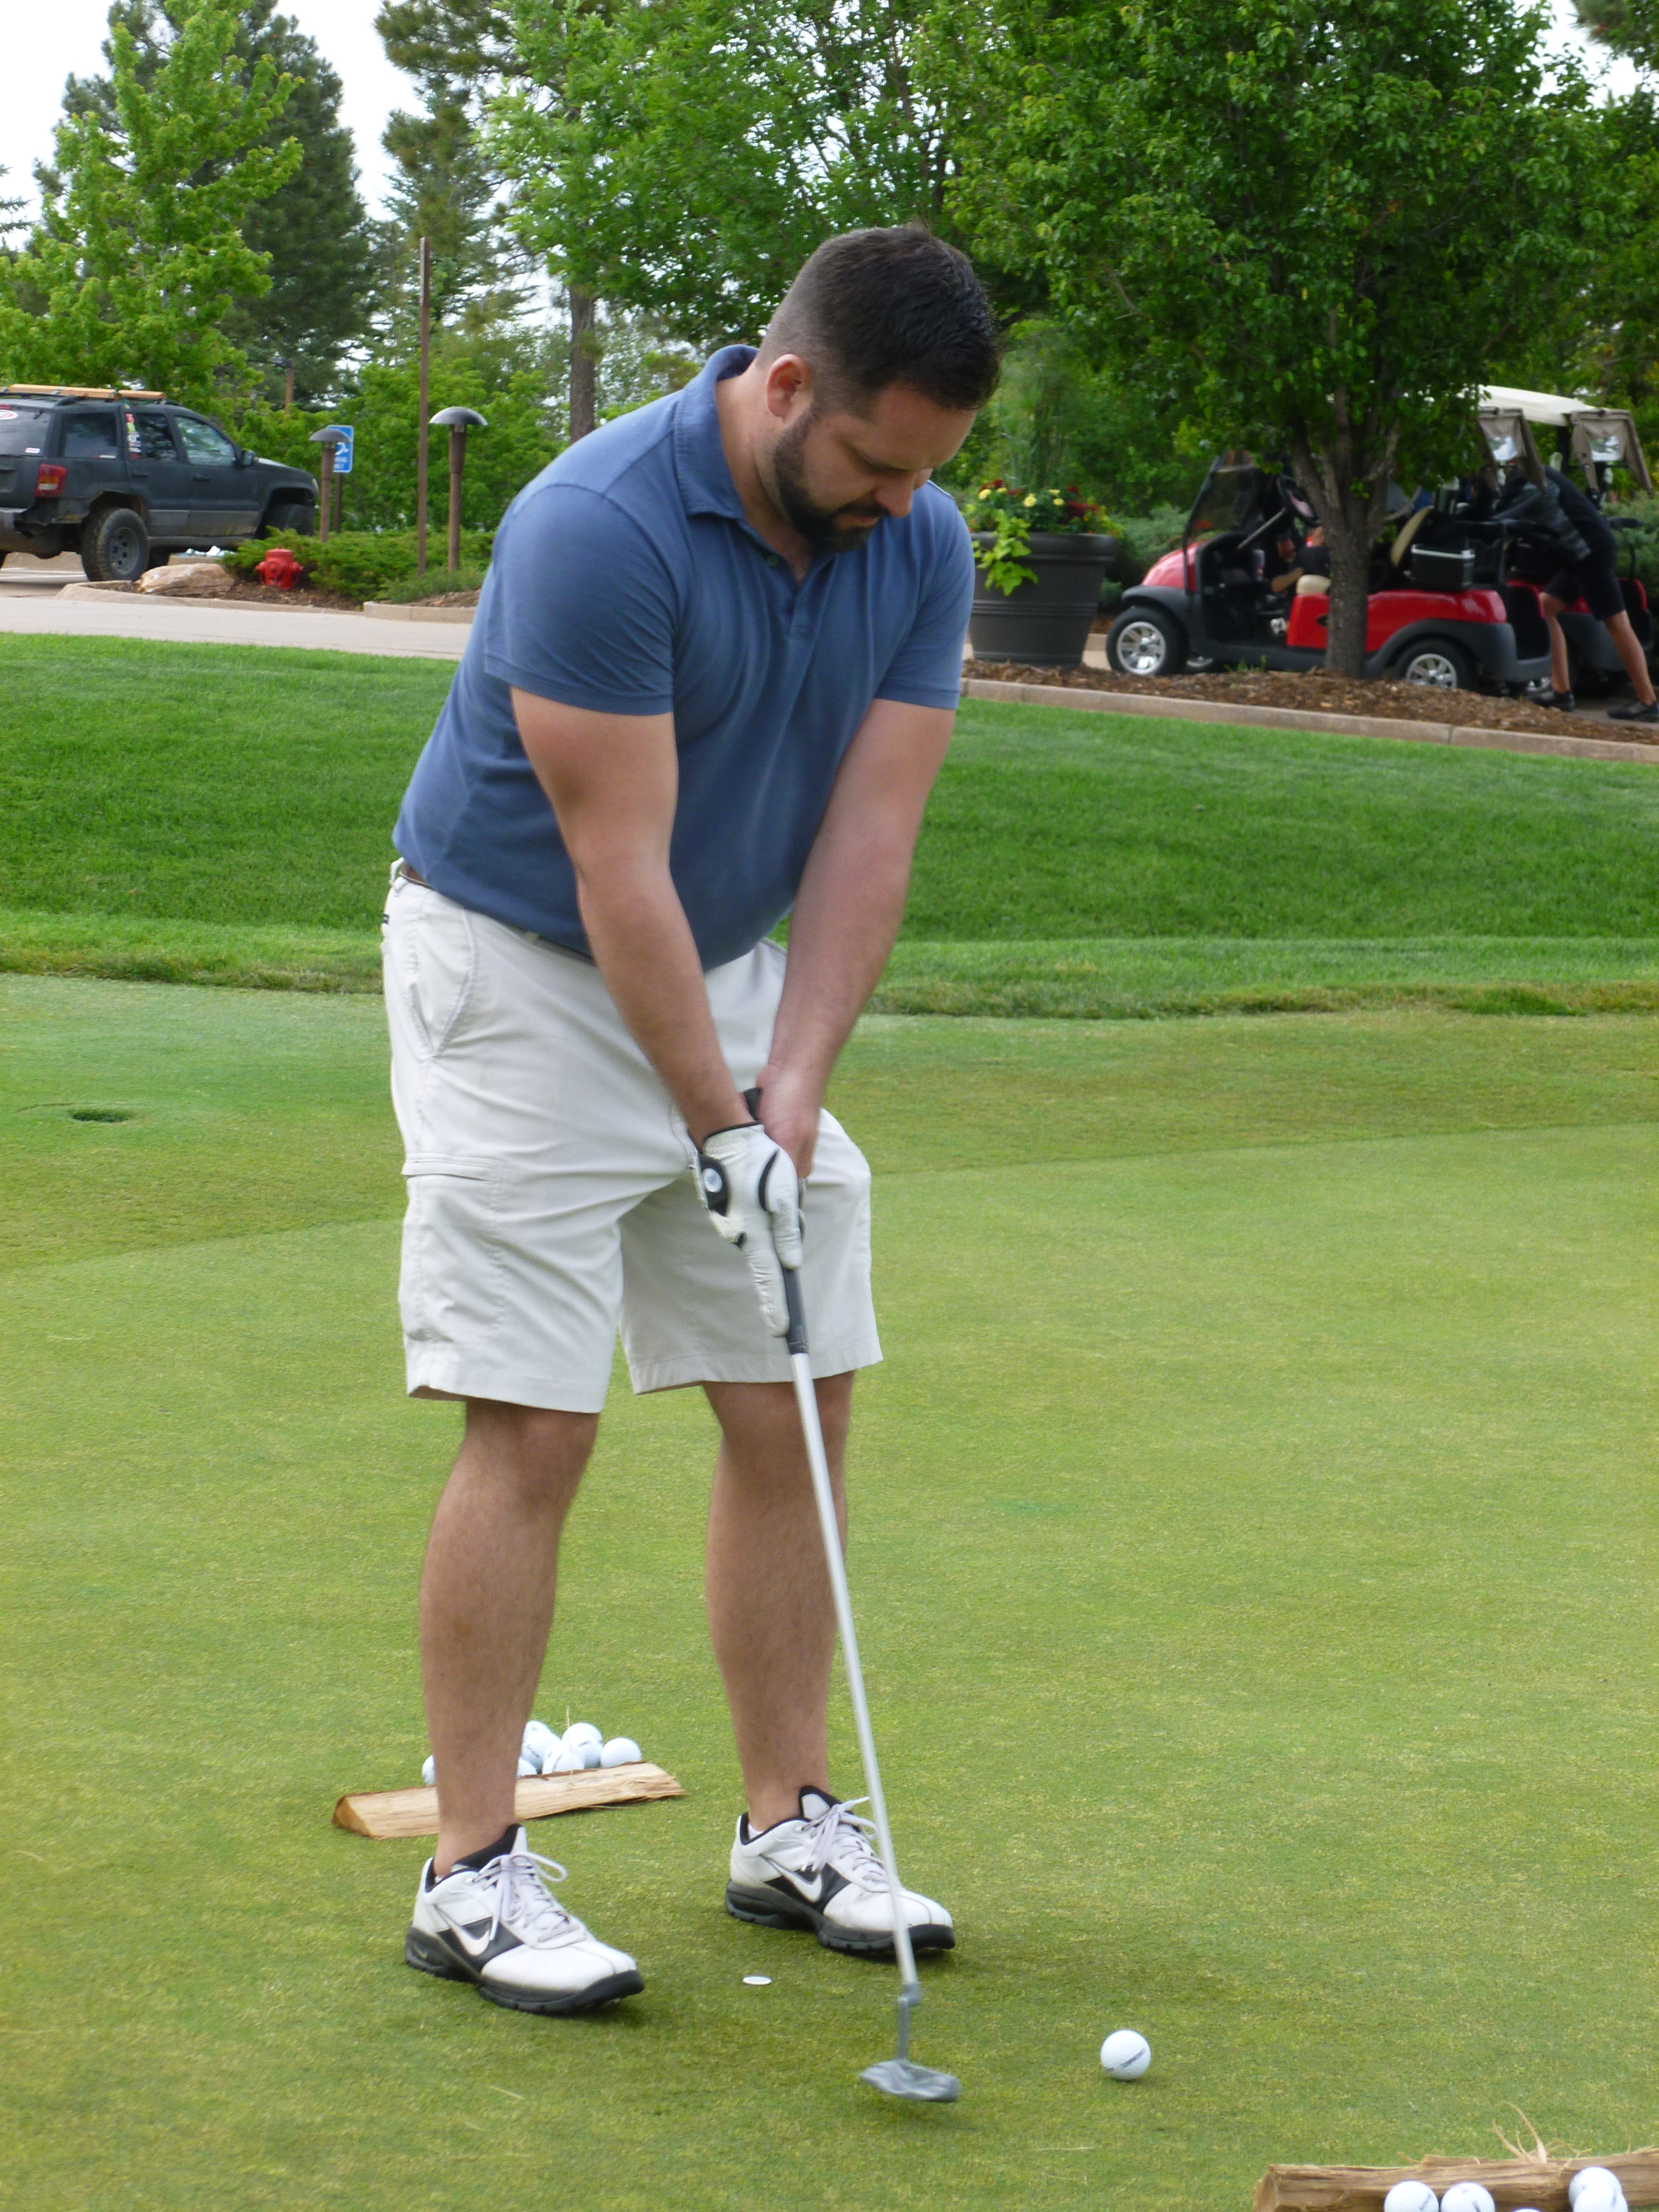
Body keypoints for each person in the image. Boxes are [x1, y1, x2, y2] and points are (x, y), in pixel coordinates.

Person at [383, 226, 1001, 2018]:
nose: (900, 501)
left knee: (793, 1386)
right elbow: (612, 864)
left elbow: (868, 835)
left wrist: (785, 1097)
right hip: (518, 966)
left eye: (929, 472)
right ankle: (472, 1866)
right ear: (785, 386)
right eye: (876, 462)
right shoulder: (597, 523)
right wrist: (706, 1111)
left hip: (724, 967)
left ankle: (788, 1818)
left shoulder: (918, 540)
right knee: (536, 1420)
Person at [1502, 463, 1658, 721]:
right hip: (1580, 553)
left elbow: (1506, 515)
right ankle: (1561, 692)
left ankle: (1648, 702)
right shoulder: (1538, 473)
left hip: (1590, 553)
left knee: (1617, 624)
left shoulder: (1527, 477)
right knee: (1544, 609)